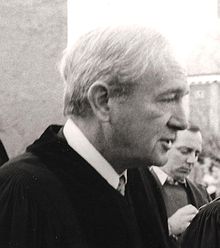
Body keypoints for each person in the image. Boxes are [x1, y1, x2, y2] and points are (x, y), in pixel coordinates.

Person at [0, 26, 189, 248]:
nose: (182, 121)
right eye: (167, 99)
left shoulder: (141, 181)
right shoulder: (21, 191)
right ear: (103, 101)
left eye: (181, 99)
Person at [149, 125, 211, 247]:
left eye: (197, 153)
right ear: (165, 146)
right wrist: (169, 228)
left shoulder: (202, 194)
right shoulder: (135, 187)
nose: (192, 160)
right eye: (185, 151)